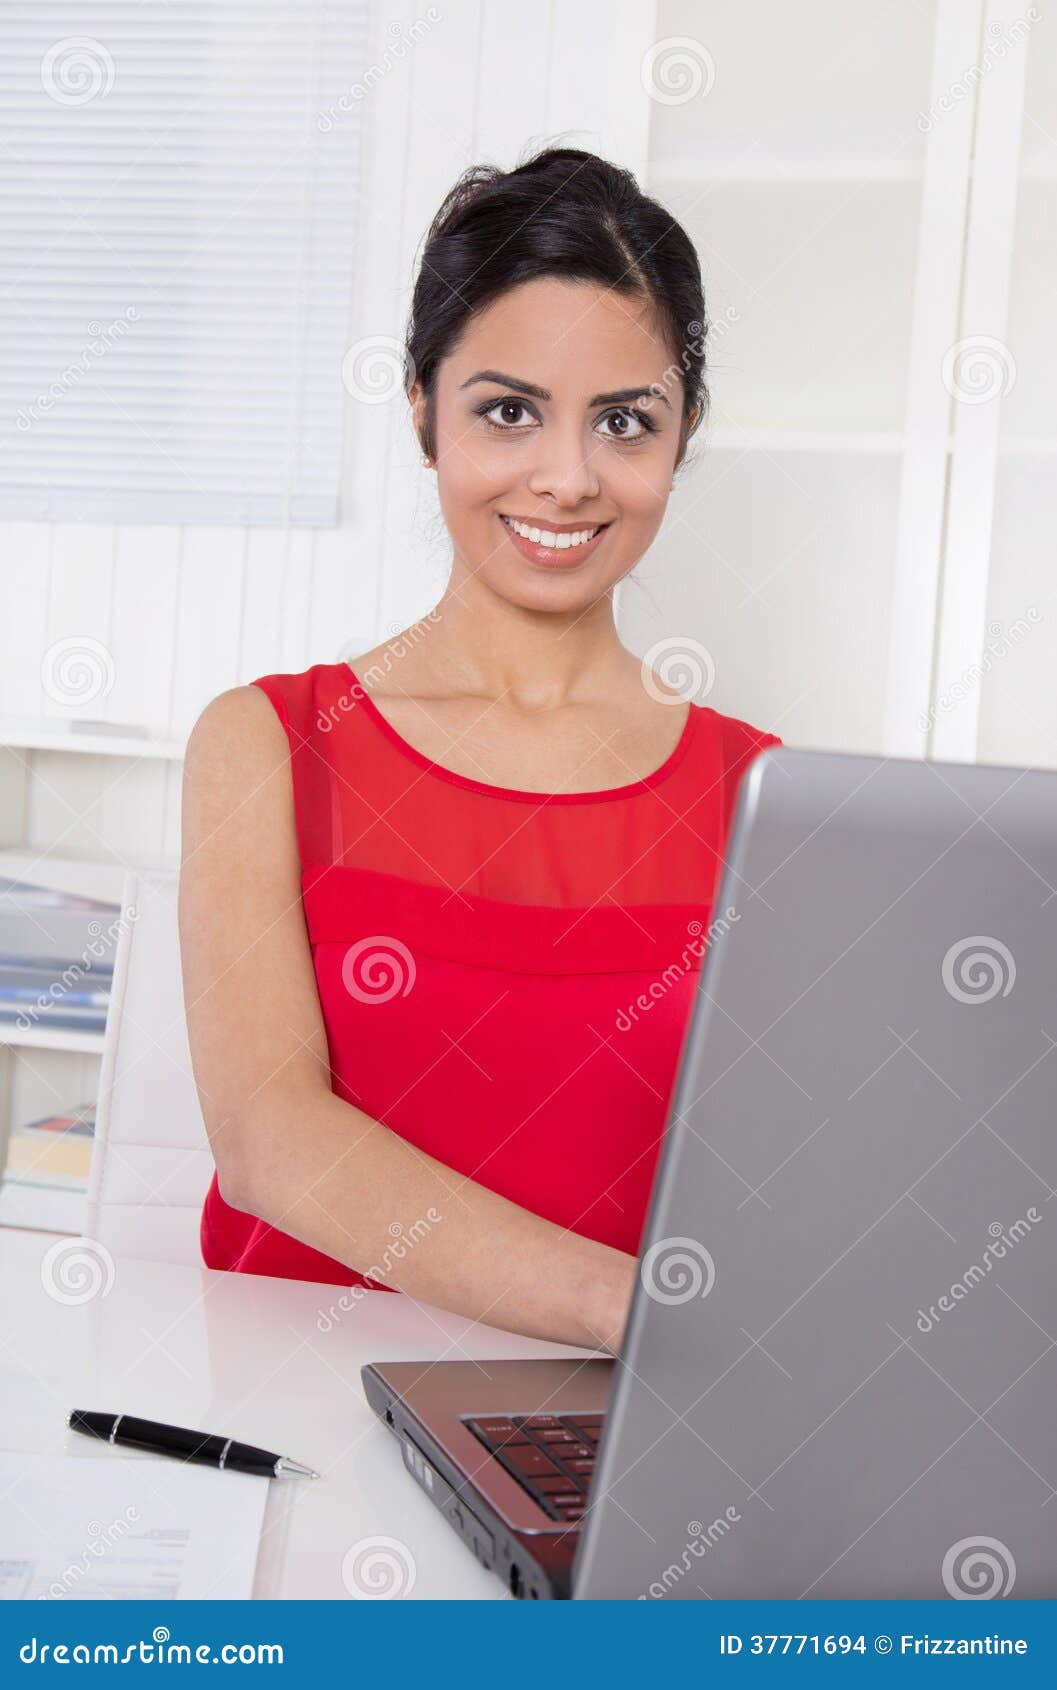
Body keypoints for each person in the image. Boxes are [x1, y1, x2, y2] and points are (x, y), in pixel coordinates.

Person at [179, 145, 780, 1356]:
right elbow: (266, 1140)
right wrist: (642, 1318)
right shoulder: (270, 744)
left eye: (624, 421)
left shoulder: (765, 794)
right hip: (283, 1407)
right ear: (422, 410)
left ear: (683, 435)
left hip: (615, 1435)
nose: (565, 479)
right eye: (508, 411)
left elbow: (787, 1178)